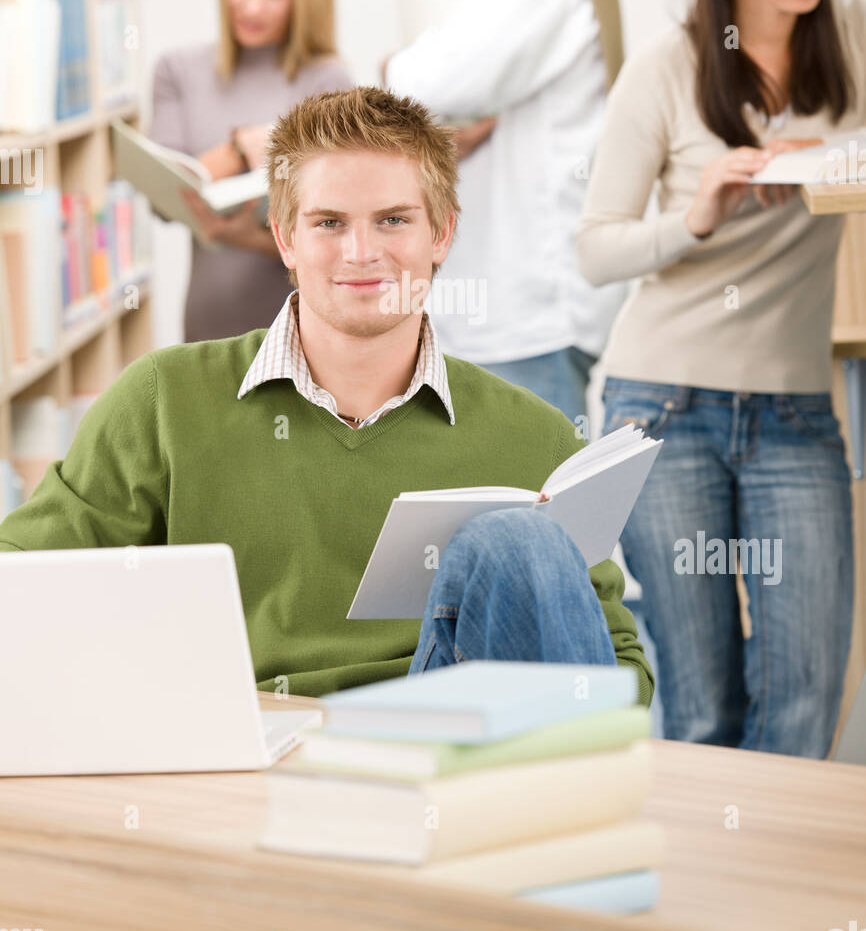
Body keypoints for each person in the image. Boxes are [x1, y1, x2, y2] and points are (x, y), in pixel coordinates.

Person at [0, 87, 653, 707]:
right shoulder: (162, 402)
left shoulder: (535, 436)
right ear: (285, 237)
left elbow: (619, 670)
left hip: (452, 754)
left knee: (516, 545)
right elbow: (20, 580)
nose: (361, 252)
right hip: (252, 753)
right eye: (329, 222)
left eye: (393, 220)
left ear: (441, 235)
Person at [577, 0, 866, 759]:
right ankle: (713, 901)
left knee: (806, 699)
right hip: (662, 404)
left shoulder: (853, 40)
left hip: (793, 410)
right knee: (702, 714)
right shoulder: (665, 69)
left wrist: (831, 165)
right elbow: (595, 251)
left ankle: (781, 909)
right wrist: (698, 213)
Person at [379, 0, 627, 427]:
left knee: (528, 518)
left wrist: (392, 67)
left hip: (529, 315)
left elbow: (427, 85)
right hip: (516, 312)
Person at [150, 0, 353, 342]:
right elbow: (162, 201)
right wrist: (240, 150)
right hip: (208, 331)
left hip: (304, 337)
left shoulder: (328, 80)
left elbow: (337, 236)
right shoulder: (178, 70)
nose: (252, 6)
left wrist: (251, 238)